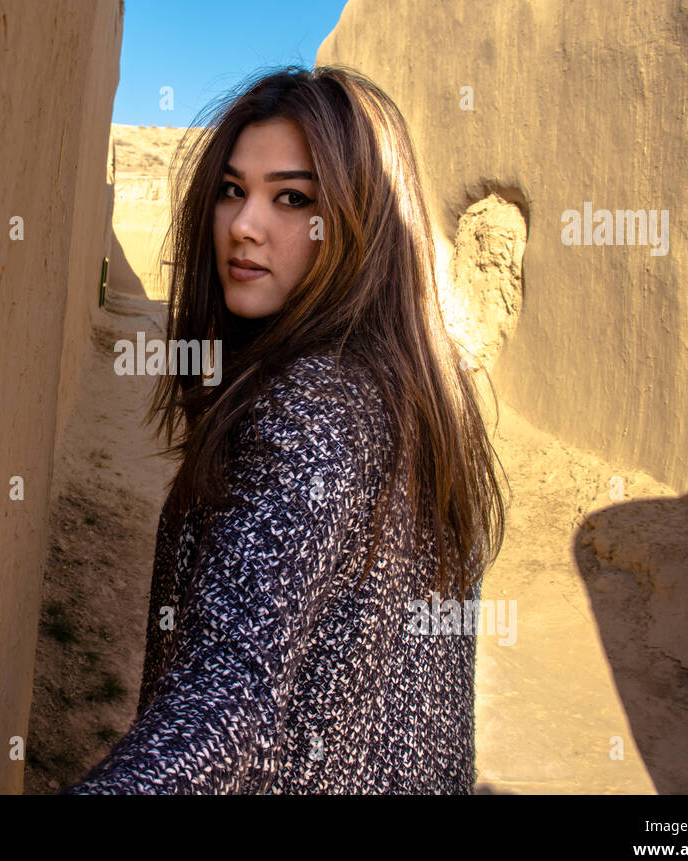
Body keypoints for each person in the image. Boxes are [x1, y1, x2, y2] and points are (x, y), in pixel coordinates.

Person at [62, 64, 506, 794]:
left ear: (359, 220)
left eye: (292, 198)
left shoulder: (313, 408)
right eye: (233, 191)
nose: (244, 225)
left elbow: (221, 714)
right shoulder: (416, 395)